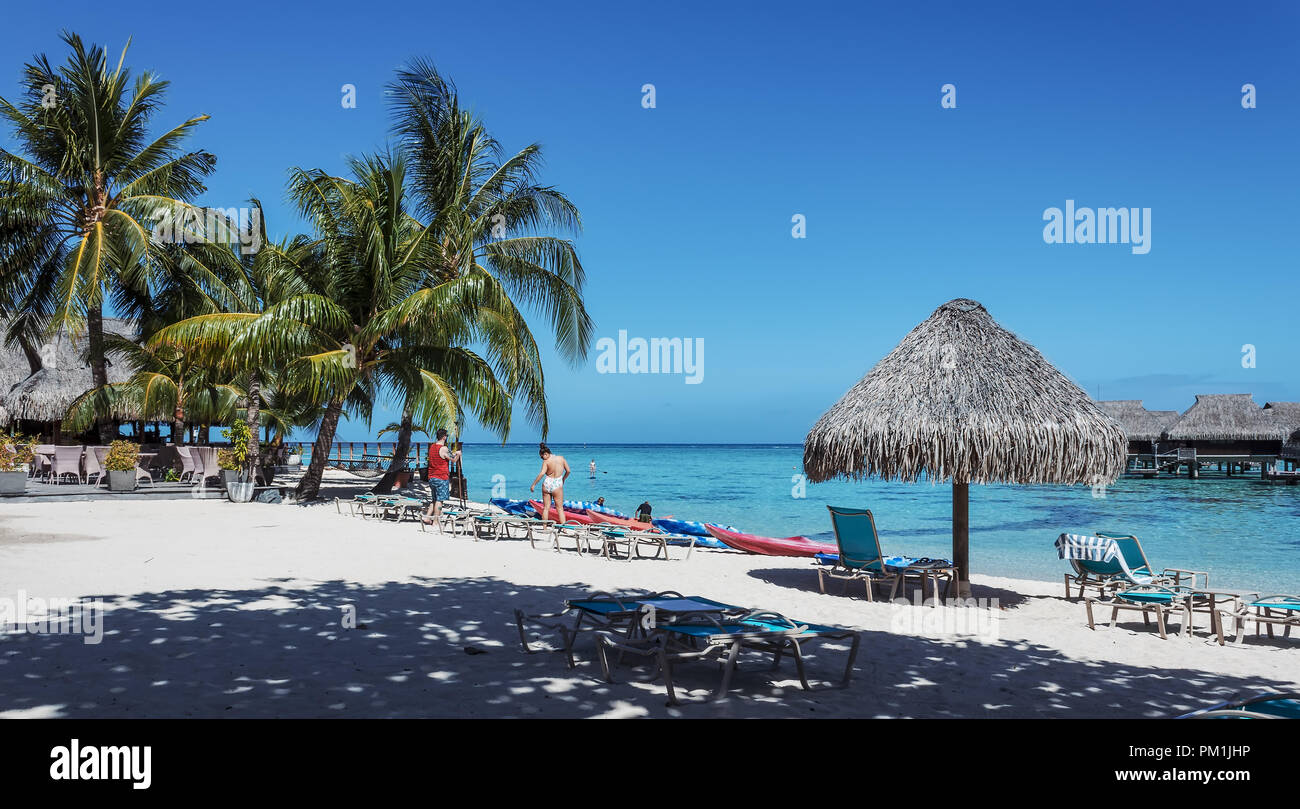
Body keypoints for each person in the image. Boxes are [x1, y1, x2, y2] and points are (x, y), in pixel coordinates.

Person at [421, 429, 461, 531]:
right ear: (444, 437)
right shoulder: (444, 448)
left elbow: (443, 456)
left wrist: (454, 453)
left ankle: (427, 517)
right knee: (440, 500)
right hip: (441, 477)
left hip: (431, 477)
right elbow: (453, 460)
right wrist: (459, 454)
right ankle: (435, 521)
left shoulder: (432, 447)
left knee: (434, 499)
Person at [530, 443, 570, 523]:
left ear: (546, 454)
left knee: (546, 508)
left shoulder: (546, 461)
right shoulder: (561, 458)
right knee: (560, 508)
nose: (542, 458)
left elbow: (542, 473)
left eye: (542, 456)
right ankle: (564, 528)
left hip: (547, 482)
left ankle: (544, 528)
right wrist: (563, 479)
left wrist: (533, 484)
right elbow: (568, 471)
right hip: (557, 483)